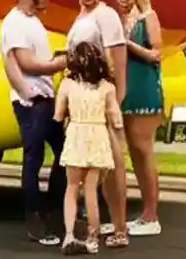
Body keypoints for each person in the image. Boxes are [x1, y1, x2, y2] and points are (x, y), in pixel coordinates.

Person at [63, 0, 129, 249]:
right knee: (96, 169)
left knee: (111, 165)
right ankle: (103, 224)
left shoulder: (106, 15)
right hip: (83, 101)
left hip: (102, 98)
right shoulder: (81, 18)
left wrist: (117, 98)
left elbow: (118, 59)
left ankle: (120, 228)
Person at [0, 0, 69, 246]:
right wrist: (61, 63)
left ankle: (55, 209)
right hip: (31, 102)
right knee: (34, 158)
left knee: (65, 151)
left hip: (45, 98)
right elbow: (26, 63)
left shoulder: (33, 20)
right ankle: (35, 218)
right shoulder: (14, 23)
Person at [54, 41, 123, 255]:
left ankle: (69, 235)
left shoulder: (67, 85)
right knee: (91, 189)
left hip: (76, 133)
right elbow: (116, 119)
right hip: (98, 135)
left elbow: (58, 115)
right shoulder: (107, 88)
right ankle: (93, 237)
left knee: (71, 187)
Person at [114, 0, 165, 237]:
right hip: (125, 90)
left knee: (144, 151)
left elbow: (156, 54)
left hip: (144, 89)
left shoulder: (148, 17)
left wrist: (128, 44)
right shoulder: (118, 20)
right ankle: (143, 214)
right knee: (132, 152)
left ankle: (152, 215)